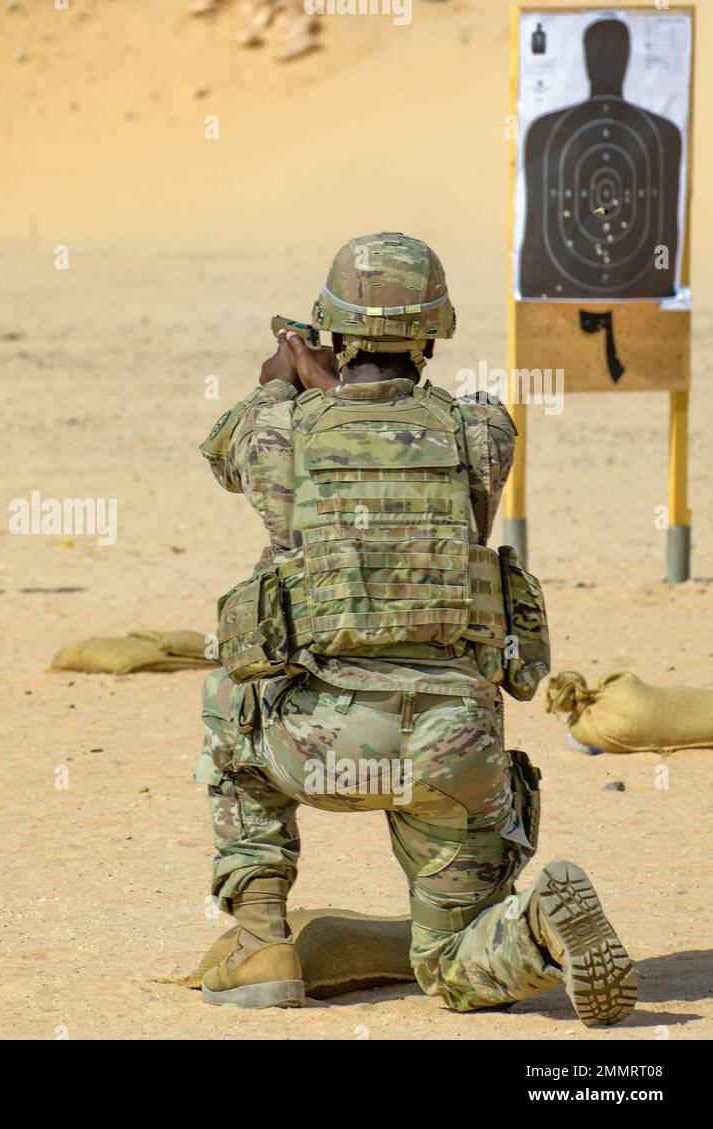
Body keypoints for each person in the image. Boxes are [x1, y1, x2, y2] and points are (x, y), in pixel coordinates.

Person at [194, 232, 636, 1025]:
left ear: (333, 330)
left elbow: (236, 451)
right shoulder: (480, 432)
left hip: (323, 747)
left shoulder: (279, 431)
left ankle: (261, 940)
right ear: (433, 335)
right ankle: (533, 927)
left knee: (231, 691)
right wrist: (328, 375)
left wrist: (281, 380)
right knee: (450, 961)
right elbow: (399, 425)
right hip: (454, 748)